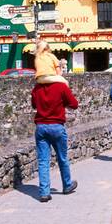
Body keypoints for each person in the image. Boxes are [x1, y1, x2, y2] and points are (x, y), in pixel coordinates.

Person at [31, 71, 79, 202]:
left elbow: (34, 104)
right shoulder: (61, 86)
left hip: (41, 126)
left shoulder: (37, 88)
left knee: (43, 161)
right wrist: (62, 101)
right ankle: (67, 185)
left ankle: (44, 193)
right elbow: (74, 104)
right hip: (57, 126)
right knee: (62, 158)